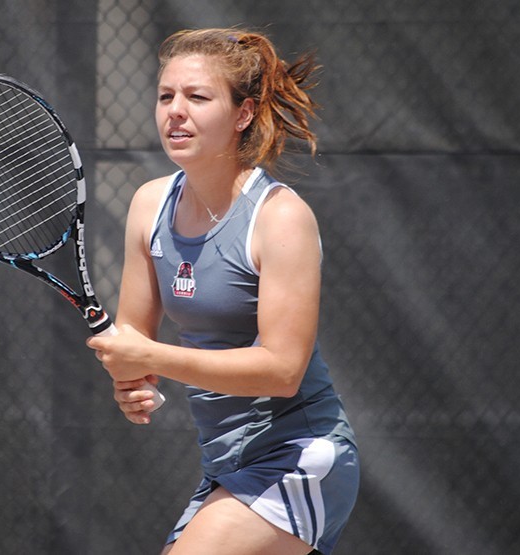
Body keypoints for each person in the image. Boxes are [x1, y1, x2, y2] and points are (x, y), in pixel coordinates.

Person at [87, 27, 358, 555]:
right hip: (224, 464)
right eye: (165, 96)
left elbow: (282, 371)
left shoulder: (280, 217)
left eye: (197, 97)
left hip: (300, 456)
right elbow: (135, 335)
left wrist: (151, 357)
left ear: (243, 114)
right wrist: (132, 382)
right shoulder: (149, 206)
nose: (175, 111)